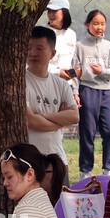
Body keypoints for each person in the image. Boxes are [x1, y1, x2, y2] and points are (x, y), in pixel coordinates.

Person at [74, 9, 110, 179]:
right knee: (87, 132)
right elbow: (75, 71)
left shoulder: (108, 46)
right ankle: (85, 171)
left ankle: (109, 168)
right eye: (95, 23)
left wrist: (103, 71)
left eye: (102, 24)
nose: (99, 27)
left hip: (106, 91)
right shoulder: (80, 46)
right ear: (88, 25)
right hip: (87, 89)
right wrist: (74, 91)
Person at [26, 25, 79, 166]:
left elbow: (74, 116)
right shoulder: (19, 83)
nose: (32, 53)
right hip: (29, 162)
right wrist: (60, 121)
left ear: (52, 53)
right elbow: (31, 121)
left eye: (39, 48)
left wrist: (42, 115)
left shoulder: (61, 84)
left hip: (58, 160)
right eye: (29, 47)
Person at [45, 0, 77, 85]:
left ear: (64, 12)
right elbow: (33, 63)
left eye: (54, 11)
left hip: (67, 85)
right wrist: (57, 72)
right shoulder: (42, 33)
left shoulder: (71, 34)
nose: (50, 14)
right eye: (49, 11)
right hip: (48, 83)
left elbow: (72, 63)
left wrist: (75, 90)